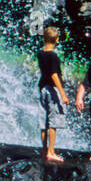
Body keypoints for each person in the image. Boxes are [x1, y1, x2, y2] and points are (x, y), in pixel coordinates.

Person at [36, 26, 67, 164]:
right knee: (53, 122)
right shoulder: (53, 56)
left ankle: (44, 151)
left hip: (42, 87)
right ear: (57, 39)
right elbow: (54, 75)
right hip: (52, 89)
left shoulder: (40, 52)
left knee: (43, 122)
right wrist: (63, 93)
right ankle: (51, 151)